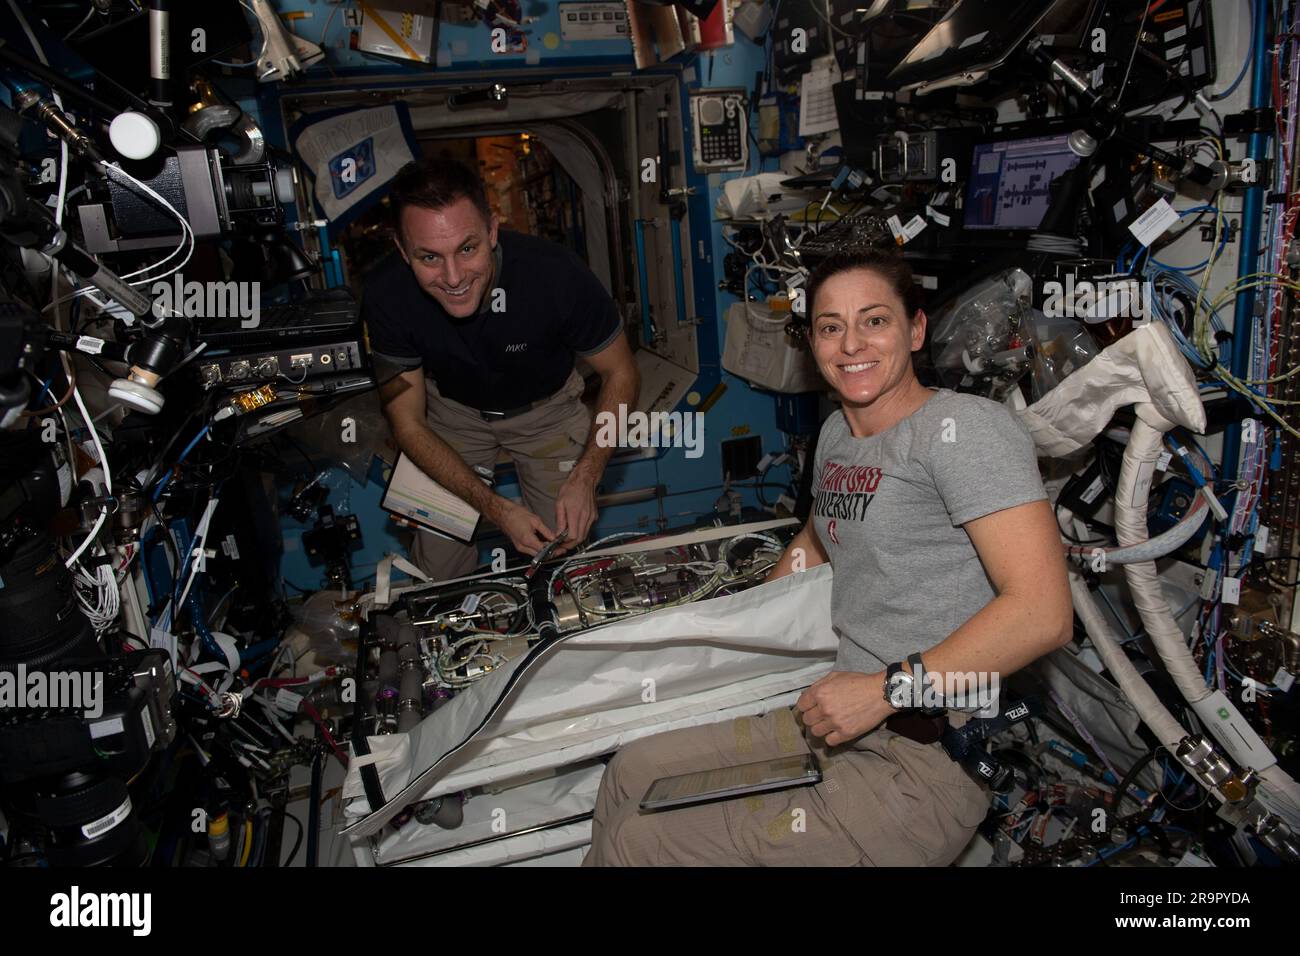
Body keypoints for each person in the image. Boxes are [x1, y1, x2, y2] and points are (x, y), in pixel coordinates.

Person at [583, 248, 1073, 866]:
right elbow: (819, 540)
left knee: (638, 846)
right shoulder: (839, 432)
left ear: (915, 329)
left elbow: (1044, 614)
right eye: (830, 326)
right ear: (812, 343)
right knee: (631, 771)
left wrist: (887, 690)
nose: (851, 345)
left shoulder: (965, 431)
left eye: (875, 320)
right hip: (837, 720)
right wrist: (731, 623)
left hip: (922, 759)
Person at [363, 158, 640, 581]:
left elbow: (621, 373)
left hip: (546, 412)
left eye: (467, 249)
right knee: (437, 568)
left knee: (563, 553)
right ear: (402, 251)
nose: (453, 277)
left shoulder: (554, 274)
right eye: (429, 257)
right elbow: (408, 425)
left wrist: (587, 476)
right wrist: (497, 510)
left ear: (492, 231)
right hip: (451, 414)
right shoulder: (386, 295)